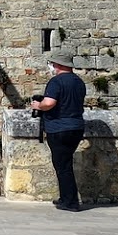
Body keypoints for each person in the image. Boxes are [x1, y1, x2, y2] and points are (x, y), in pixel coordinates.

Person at [31, 53, 88, 211]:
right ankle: (65, 197)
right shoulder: (79, 82)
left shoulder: (56, 82)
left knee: (62, 166)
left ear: (60, 65)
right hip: (76, 126)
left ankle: (70, 202)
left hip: (58, 128)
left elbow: (49, 103)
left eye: (53, 64)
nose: (52, 67)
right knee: (66, 163)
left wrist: (38, 105)